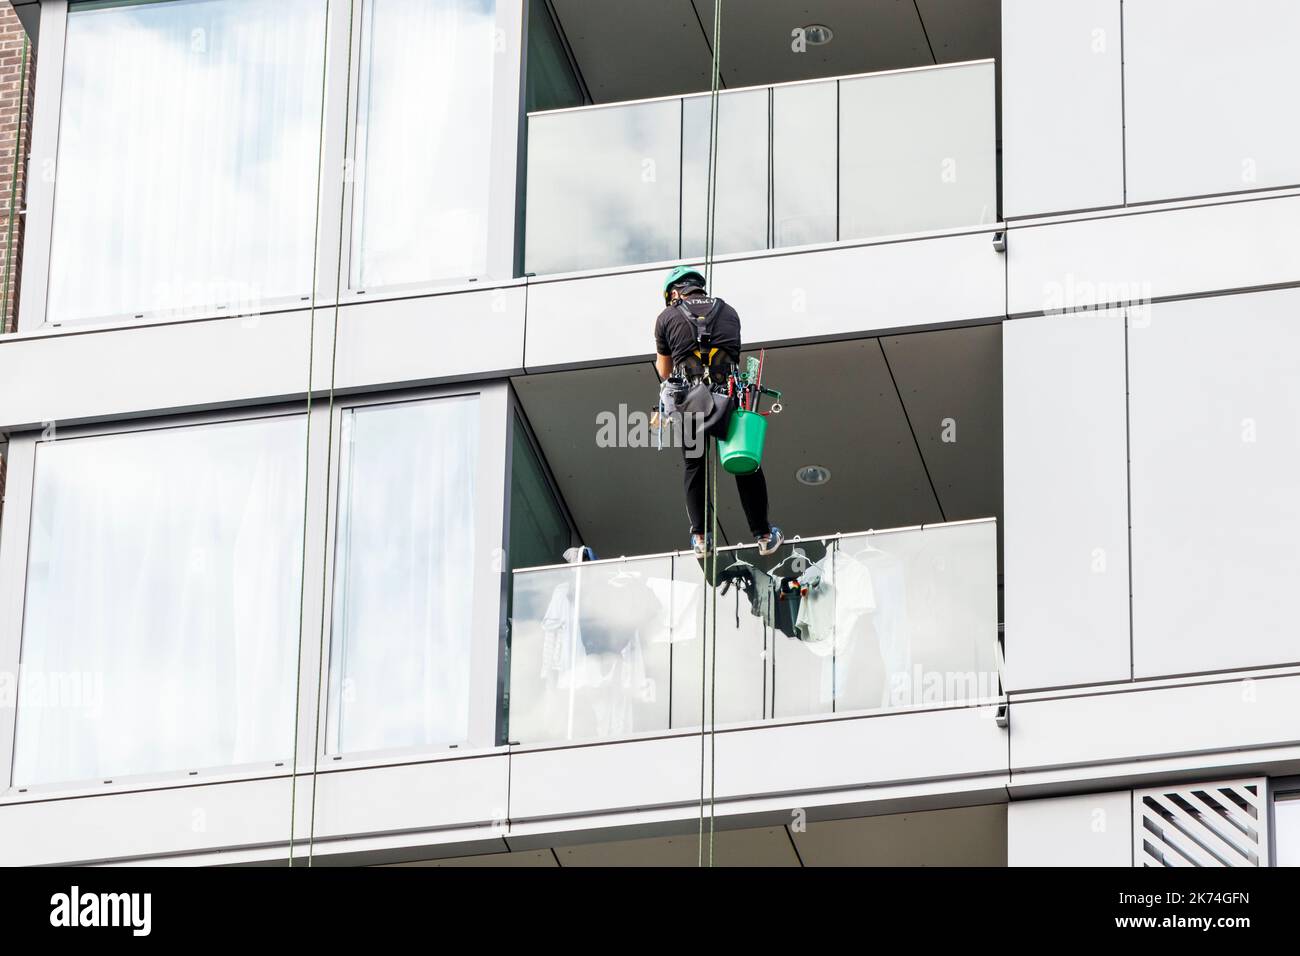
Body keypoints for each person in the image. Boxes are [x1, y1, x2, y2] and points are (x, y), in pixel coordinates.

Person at [653, 265, 782, 558]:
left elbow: (664, 371)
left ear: (674, 292)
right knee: (745, 463)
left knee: (694, 467)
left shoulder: (667, 317)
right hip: (729, 395)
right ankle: (763, 535)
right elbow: (732, 351)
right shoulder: (730, 312)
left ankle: (701, 538)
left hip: (690, 400)